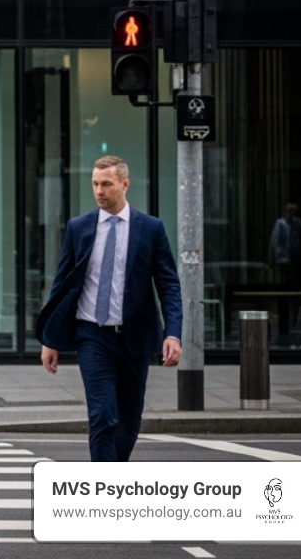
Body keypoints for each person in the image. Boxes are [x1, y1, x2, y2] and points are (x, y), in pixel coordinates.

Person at [35, 156, 182, 463]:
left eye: (106, 184)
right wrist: (51, 339)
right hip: (92, 335)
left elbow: (168, 284)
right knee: (103, 415)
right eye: (95, 184)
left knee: (128, 421)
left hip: (135, 337)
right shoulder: (79, 228)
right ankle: (104, 488)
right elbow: (62, 285)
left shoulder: (151, 229)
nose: (99, 191)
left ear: (124, 185)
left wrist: (173, 334)